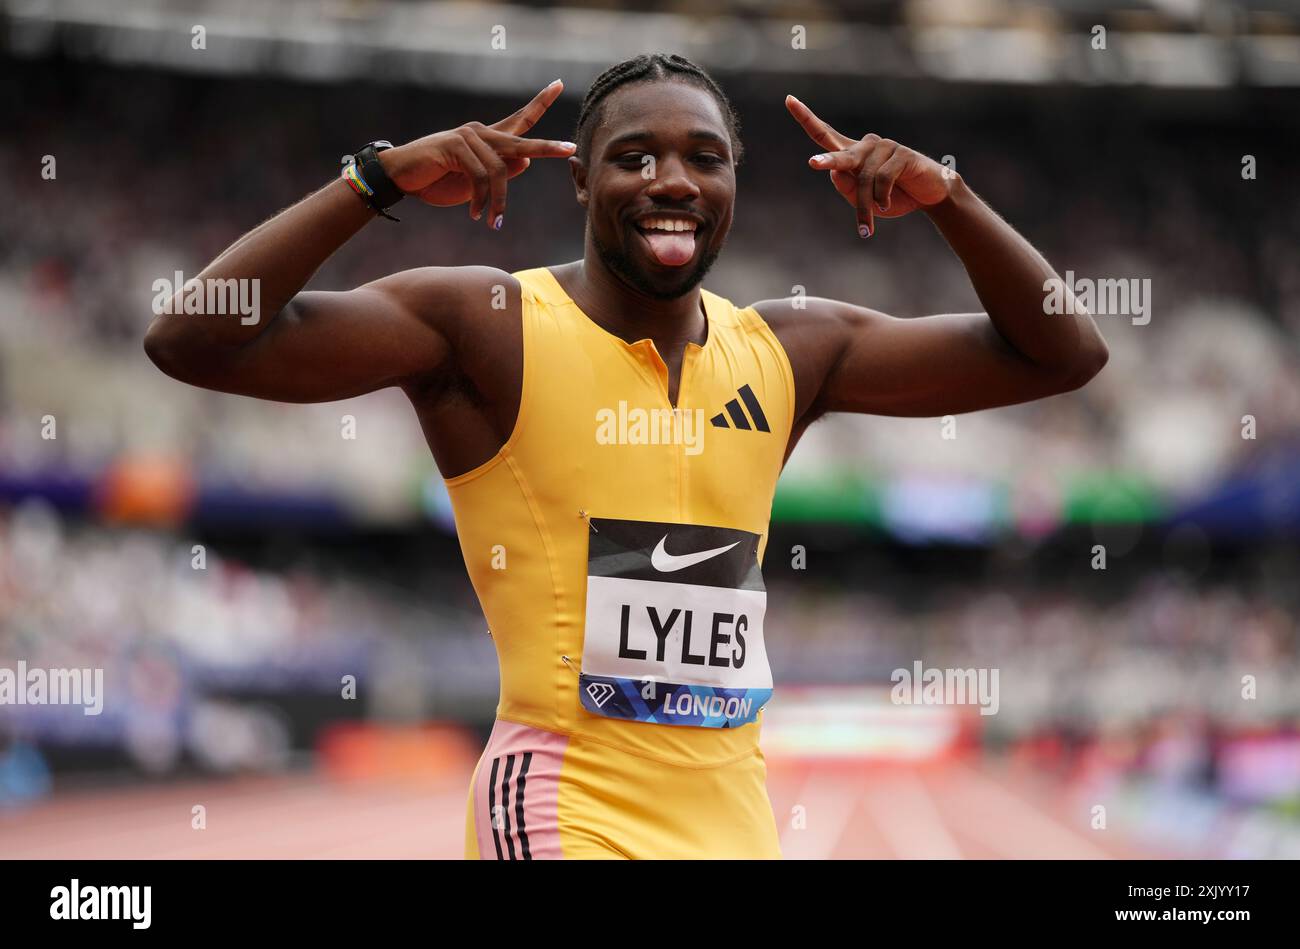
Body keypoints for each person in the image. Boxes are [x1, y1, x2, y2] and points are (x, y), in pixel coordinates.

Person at [143, 53, 1107, 859]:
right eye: (633, 157)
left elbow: (1063, 350)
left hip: (734, 817)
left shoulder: (791, 351)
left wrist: (950, 198)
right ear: (578, 179)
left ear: (733, 182)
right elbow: (190, 337)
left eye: (704, 158)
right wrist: (375, 181)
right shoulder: (486, 325)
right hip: (566, 804)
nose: (672, 182)